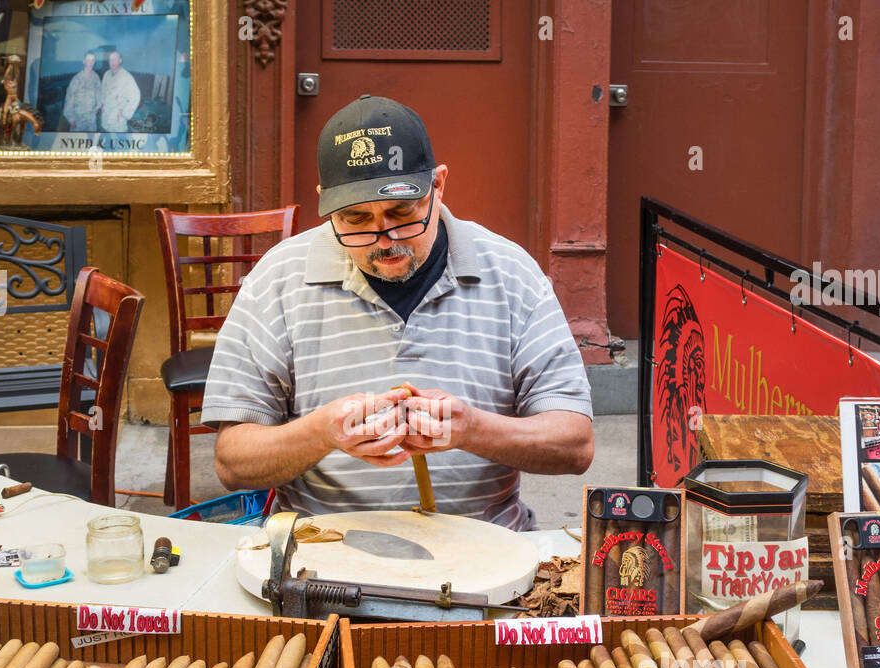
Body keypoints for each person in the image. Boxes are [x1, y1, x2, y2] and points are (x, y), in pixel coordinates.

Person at [201, 95, 593, 531]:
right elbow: (232, 463)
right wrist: (323, 432)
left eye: (401, 212)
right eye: (354, 218)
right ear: (325, 202)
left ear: (438, 185)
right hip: (325, 554)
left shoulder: (511, 273)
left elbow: (575, 445)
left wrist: (472, 429)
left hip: (486, 550)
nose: (383, 239)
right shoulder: (278, 278)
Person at [98, 51, 139, 133]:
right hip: (105, 117)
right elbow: (102, 91)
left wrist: (125, 112)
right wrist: (101, 104)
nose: (112, 62)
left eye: (115, 59)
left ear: (120, 61)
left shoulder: (126, 77)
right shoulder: (106, 74)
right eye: (110, 60)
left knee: (118, 142)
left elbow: (136, 96)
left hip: (118, 121)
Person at [63, 51, 101, 132]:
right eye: (88, 60)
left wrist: (98, 105)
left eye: (92, 60)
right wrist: (71, 119)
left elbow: (99, 93)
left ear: (95, 62)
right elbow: (69, 100)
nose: (90, 63)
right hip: (78, 120)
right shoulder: (77, 79)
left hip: (91, 120)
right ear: (84, 61)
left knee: (92, 143)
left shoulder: (96, 77)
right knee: (76, 142)